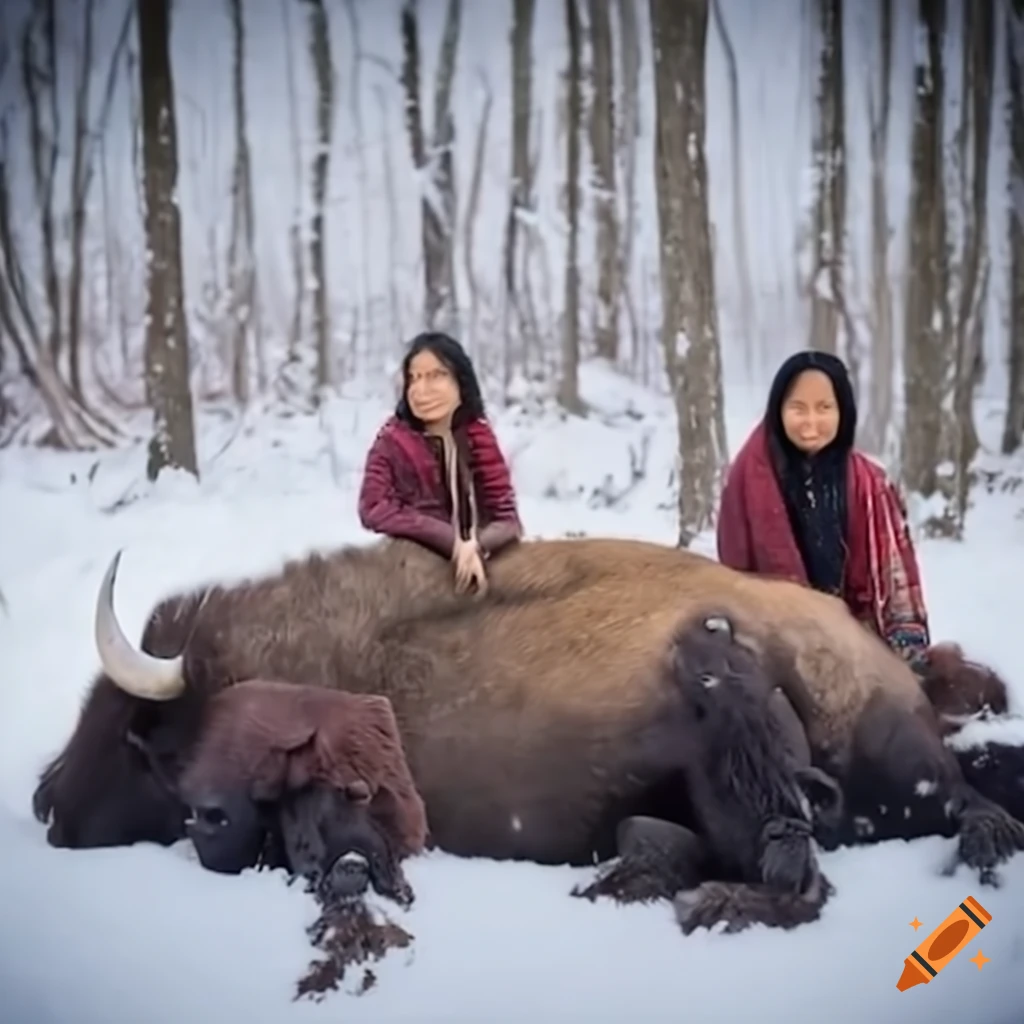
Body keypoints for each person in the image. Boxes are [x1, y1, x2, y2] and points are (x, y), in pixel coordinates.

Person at [716, 349, 932, 673]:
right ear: (778, 411)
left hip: (858, 649)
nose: (811, 423)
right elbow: (734, 579)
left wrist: (907, 660)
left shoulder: (870, 483)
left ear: (843, 411)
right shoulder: (750, 478)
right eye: (798, 409)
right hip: (774, 648)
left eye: (825, 408)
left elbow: (895, 579)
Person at [358, 331, 523, 595]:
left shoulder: (479, 437)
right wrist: (450, 539)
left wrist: (474, 545)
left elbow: (508, 520)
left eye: (436, 376)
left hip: (480, 561)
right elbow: (373, 508)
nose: (421, 390)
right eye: (414, 378)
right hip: (411, 562)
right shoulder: (392, 439)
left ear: (461, 382)